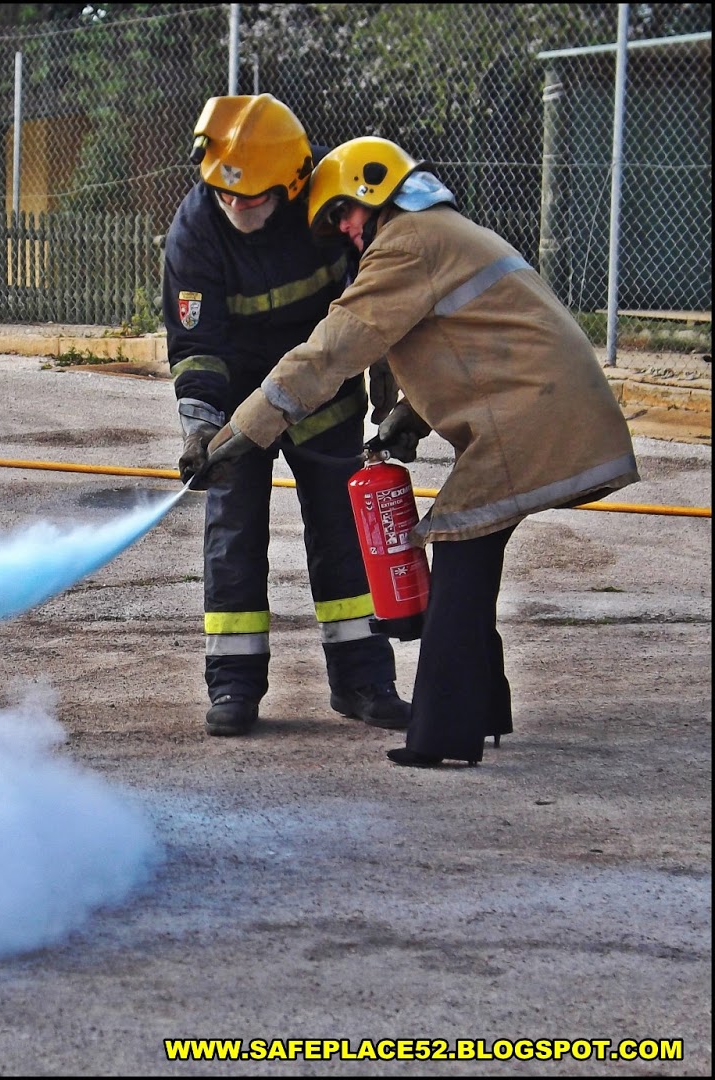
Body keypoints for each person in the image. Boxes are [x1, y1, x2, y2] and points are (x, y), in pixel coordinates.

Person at [195, 135, 640, 767]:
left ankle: (443, 736)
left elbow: (333, 350)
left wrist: (242, 432)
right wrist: (410, 414)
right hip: (545, 409)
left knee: (459, 552)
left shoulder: (407, 243)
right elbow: (476, 342)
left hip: (531, 422)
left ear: (374, 190)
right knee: (471, 556)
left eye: (343, 212)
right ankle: (480, 712)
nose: (344, 230)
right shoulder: (441, 233)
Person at [164, 94, 409, 738]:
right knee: (233, 538)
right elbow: (197, 345)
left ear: (293, 183)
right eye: (225, 194)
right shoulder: (196, 230)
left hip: (324, 396)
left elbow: (374, 296)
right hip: (238, 412)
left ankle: (363, 682)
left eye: (253, 197)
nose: (237, 206)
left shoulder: (328, 210)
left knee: (342, 532)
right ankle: (235, 687)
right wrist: (200, 427)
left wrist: (390, 374)